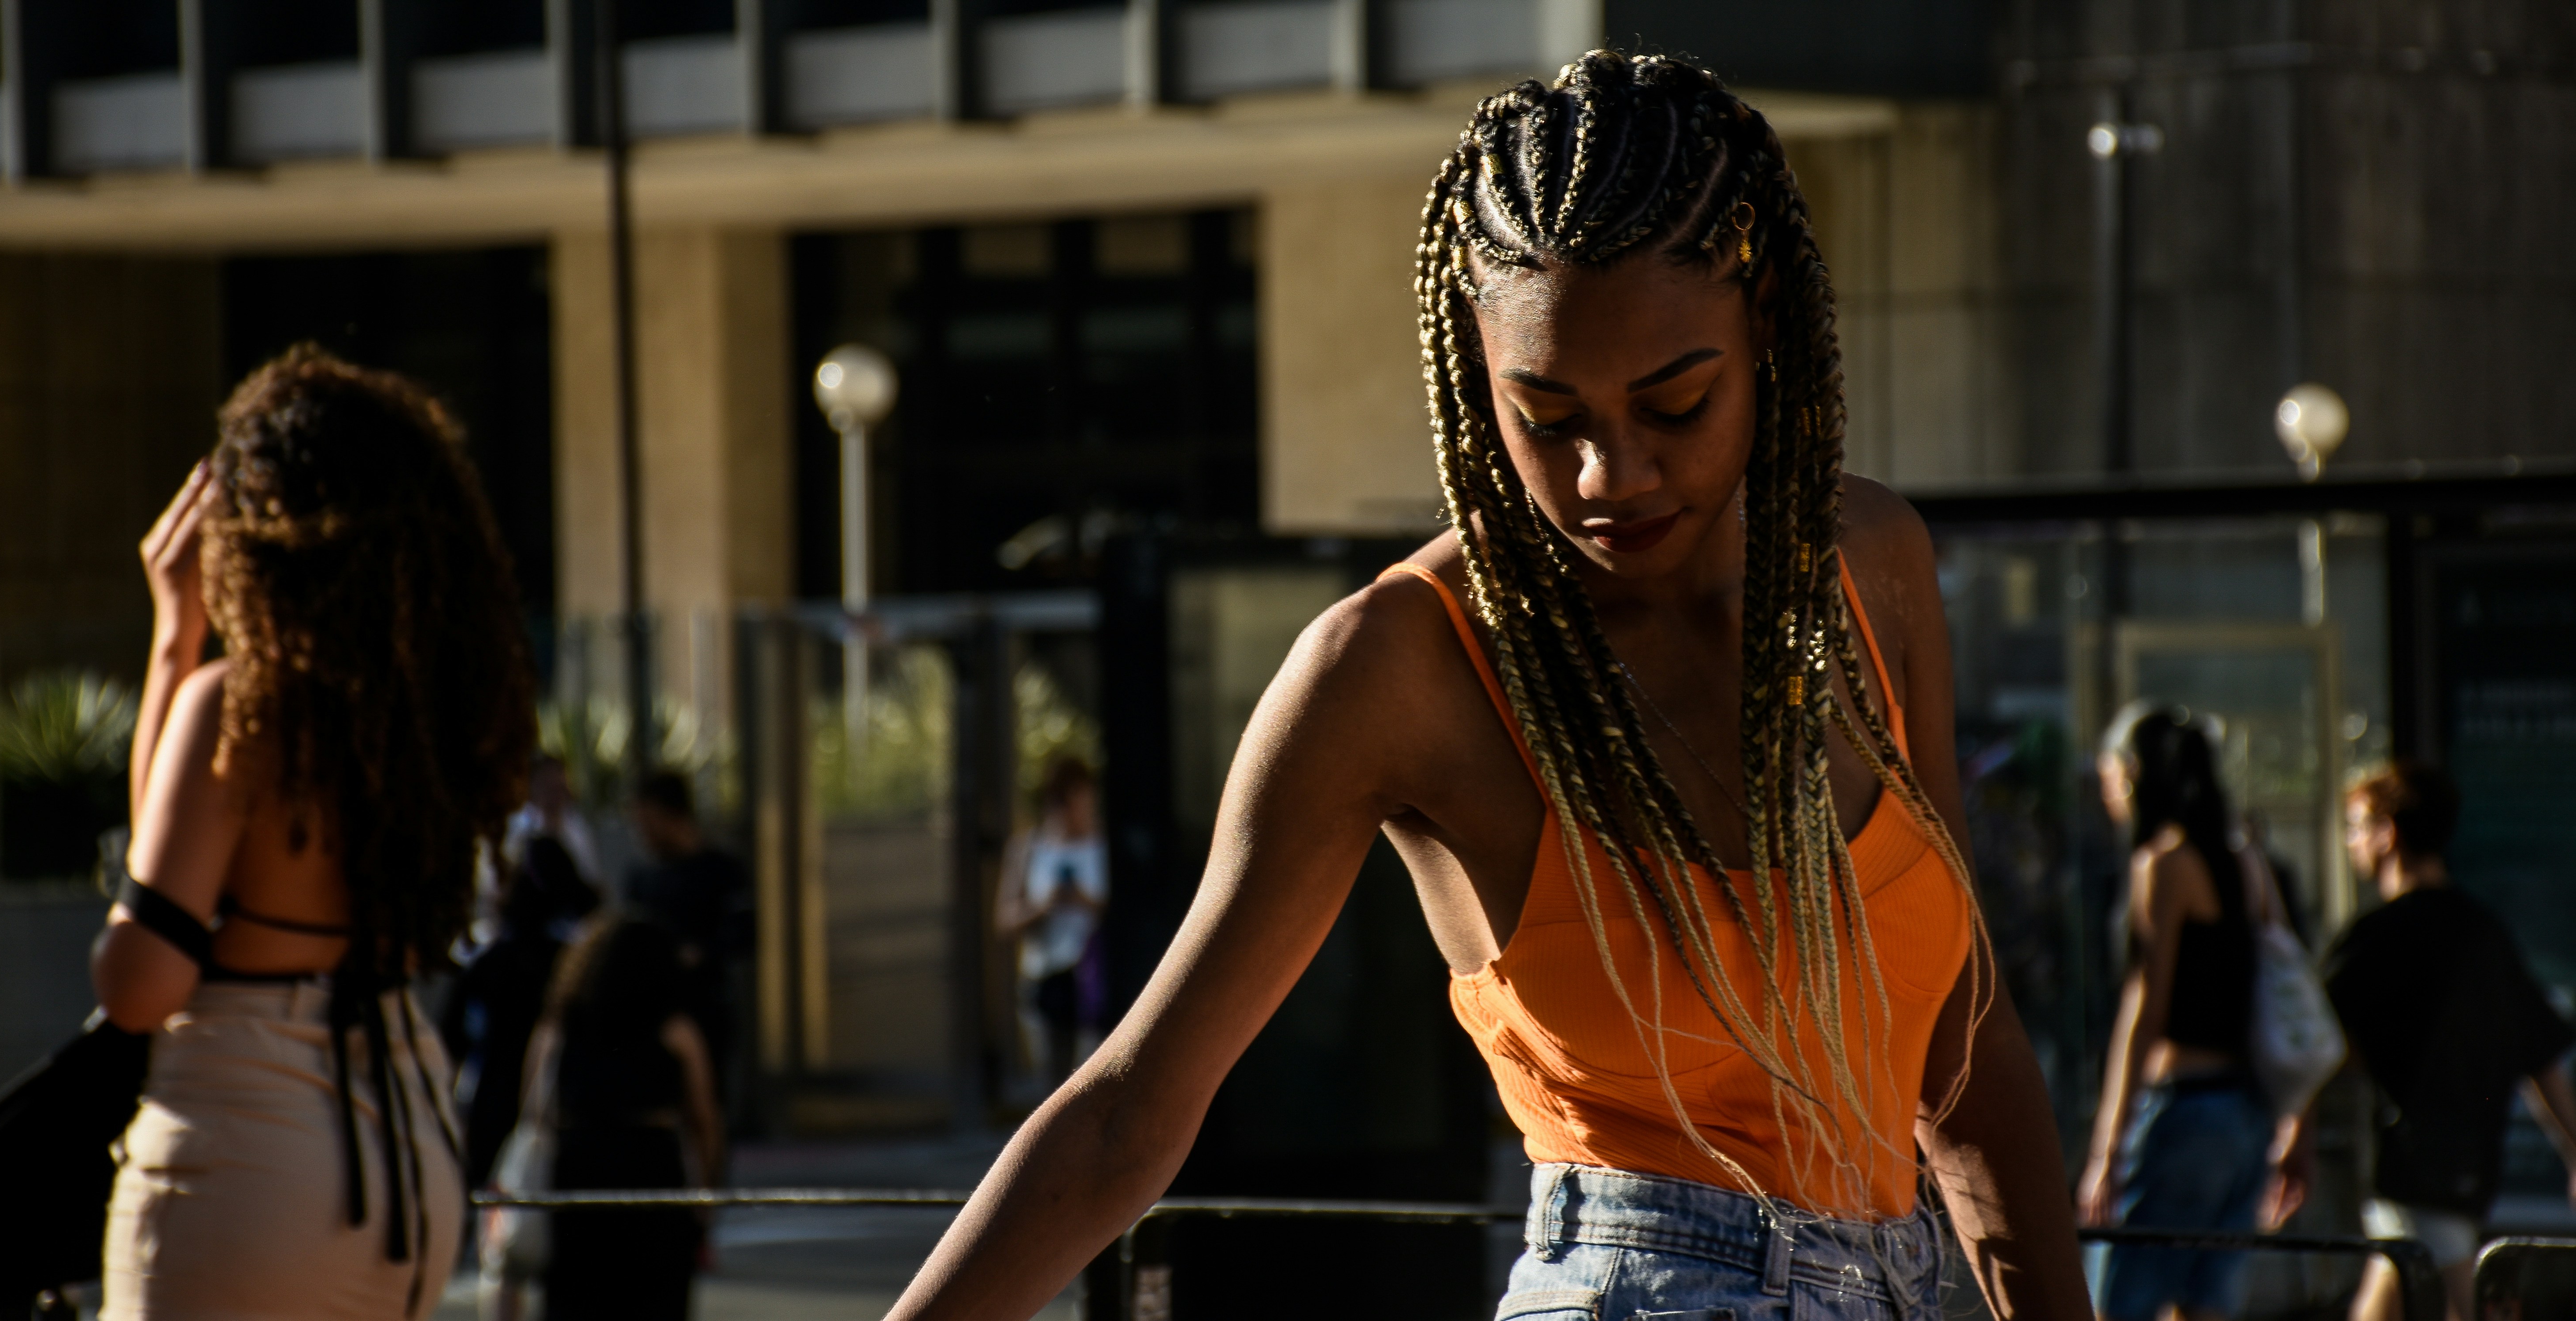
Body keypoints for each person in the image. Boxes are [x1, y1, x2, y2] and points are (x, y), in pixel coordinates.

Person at [886, 53, 2089, 1321]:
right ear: (1473, 368)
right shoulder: (1397, 668)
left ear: (1769, 328)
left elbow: (1966, 1051)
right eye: (1548, 415)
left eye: (1674, 404)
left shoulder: (1866, 568)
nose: (1606, 475)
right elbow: (1129, 1114)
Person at [94, 345, 539, 1319]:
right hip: (405, 1162)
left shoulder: (242, 713)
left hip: (248, 1155)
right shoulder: (426, 720)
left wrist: (176, 636)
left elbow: (142, 983)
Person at [2267, 761, 2576, 1321]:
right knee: (2392, 1291)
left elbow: (2316, 1044)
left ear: (2389, 833)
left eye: (2358, 825)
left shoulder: (2376, 936)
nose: (2351, 841)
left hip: (2418, 1164)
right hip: (2464, 1163)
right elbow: (2541, 1051)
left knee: (2460, 1300)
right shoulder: (2482, 931)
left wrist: (2296, 1134)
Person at [2079, 706, 2273, 1321]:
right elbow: (2285, 988)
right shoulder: (2246, 862)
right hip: (2246, 1115)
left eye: (2109, 772)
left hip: (2182, 1111)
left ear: (2133, 774)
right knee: (2206, 1306)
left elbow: (2145, 1011)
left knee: (2120, 1301)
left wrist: (2106, 1151)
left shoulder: (2162, 866)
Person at [527, 914, 724, 1321]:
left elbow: (534, 1112)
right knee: (655, 1301)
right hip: (653, 1174)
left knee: (575, 1300)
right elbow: (704, 1120)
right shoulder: (674, 1030)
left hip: (578, 1175)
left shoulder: (562, 1027)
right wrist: (705, 1200)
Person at [443, 835, 600, 1187]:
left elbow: (453, 1049)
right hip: (562, 1118)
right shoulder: (578, 967)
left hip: (493, 1114)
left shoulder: (490, 964)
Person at [625, 770, 751, 1096]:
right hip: (654, 1014)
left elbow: (745, 934)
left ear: (672, 816)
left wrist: (700, 954)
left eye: (648, 821)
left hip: (705, 1008)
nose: (642, 832)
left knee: (709, 1101)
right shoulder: (644, 878)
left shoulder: (721, 870)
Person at [996, 756, 1108, 1088]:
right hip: (1045, 977)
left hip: (1093, 977)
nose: (1072, 811)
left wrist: (1086, 902)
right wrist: (1042, 907)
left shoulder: (1104, 846)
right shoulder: (1028, 848)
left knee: (1093, 1077)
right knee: (1051, 1082)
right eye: (1063, 801)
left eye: (1079, 799)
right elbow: (1004, 919)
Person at [504, 753, 601, 899]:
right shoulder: (519, 828)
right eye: (547, 784)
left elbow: (593, 879)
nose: (554, 793)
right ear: (533, 786)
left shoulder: (577, 829)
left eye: (558, 785)